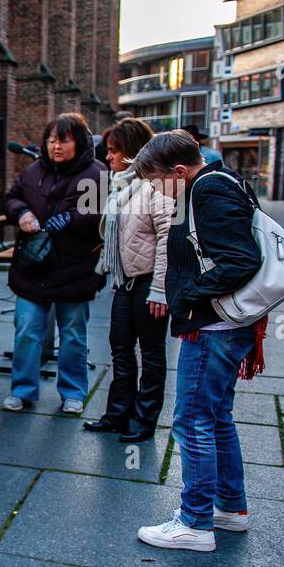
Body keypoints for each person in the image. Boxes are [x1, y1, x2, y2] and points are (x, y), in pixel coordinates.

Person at [132, 130, 263, 552]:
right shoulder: (220, 182)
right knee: (216, 417)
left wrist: (189, 296)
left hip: (212, 328)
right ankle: (230, 507)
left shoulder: (207, 192)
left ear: (180, 171)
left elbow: (242, 259)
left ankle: (194, 522)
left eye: (155, 181)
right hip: (220, 326)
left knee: (193, 422)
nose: (154, 190)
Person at [2, 113, 106, 414]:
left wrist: (62, 220)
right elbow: (10, 199)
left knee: (73, 335)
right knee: (27, 331)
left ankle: (73, 393)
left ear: (79, 142)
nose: (55, 146)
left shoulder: (96, 173)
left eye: (63, 140)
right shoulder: (33, 170)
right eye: (50, 140)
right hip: (32, 269)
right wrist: (21, 212)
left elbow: (95, 216)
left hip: (75, 270)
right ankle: (22, 390)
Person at [85, 117, 174, 443]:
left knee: (151, 355)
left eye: (113, 150)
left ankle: (144, 420)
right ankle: (117, 414)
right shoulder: (121, 185)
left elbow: (167, 237)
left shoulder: (156, 185)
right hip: (125, 282)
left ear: (132, 152)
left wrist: (160, 291)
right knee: (120, 349)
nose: (107, 157)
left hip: (150, 283)